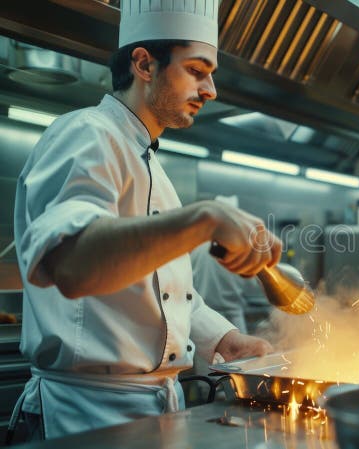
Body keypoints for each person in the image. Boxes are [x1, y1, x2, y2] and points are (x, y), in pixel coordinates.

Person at [11, 0, 279, 439]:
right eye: (197, 69)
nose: (211, 89)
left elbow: (165, 293)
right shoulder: (86, 134)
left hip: (153, 413)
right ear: (144, 64)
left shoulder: (153, 168)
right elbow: (74, 261)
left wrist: (224, 341)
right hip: (82, 416)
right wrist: (204, 219)